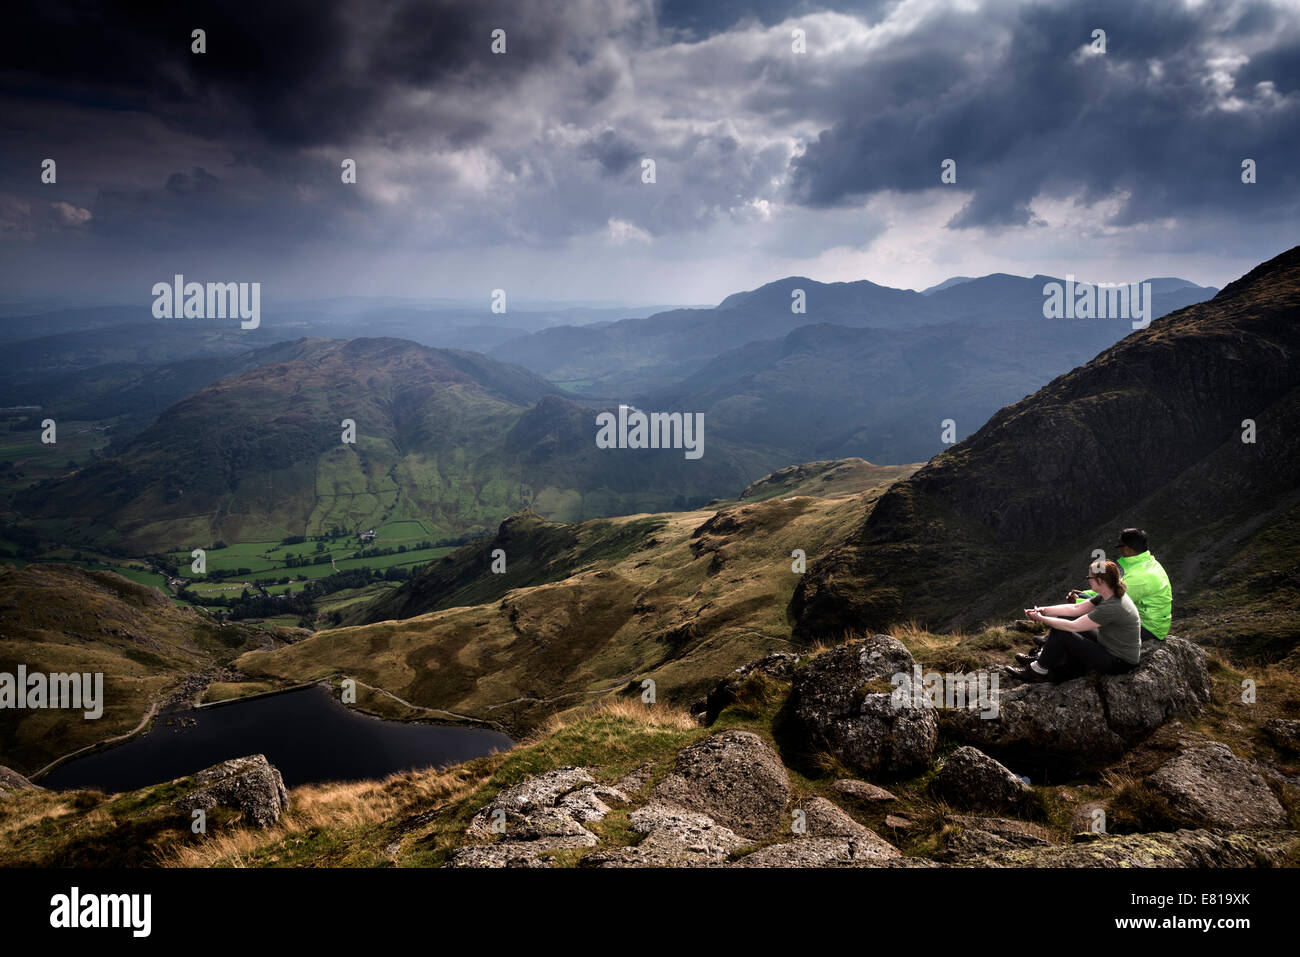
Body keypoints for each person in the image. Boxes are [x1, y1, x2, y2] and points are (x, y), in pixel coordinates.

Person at [1032, 527, 1172, 651]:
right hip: (1149, 621)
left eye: (1119, 546)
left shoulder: (1141, 577)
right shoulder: (1146, 565)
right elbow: (1114, 589)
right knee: (1082, 606)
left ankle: (1049, 648)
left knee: (1081, 616)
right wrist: (1084, 595)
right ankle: (1051, 640)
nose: (1118, 549)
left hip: (1148, 628)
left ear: (1128, 549)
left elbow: (1111, 600)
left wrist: (1078, 603)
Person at [1009, 559, 1141, 683]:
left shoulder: (1112, 606)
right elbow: (1076, 608)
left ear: (1099, 581)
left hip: (1118, 662)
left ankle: (1037, 671)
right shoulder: (1108, 594)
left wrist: (1041, 619)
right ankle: (1043, 658)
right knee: (1065, 619)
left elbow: (1074, 626)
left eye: (1089, 578)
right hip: (1109, 645)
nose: (1088, 580)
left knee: (1062, 631)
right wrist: (1043, 610)